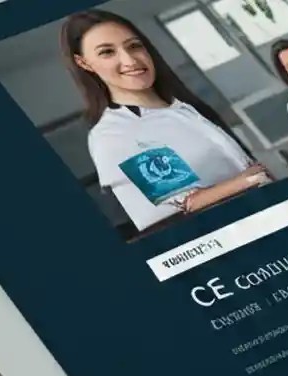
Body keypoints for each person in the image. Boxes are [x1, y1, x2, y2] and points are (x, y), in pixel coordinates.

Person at [60, 10, 271, 237]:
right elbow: (186, 204)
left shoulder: (184, 108)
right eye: (107, 52)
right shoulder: (115, 133)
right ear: (84, 63)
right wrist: (255, 177)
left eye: (134, 46)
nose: (130, 60)